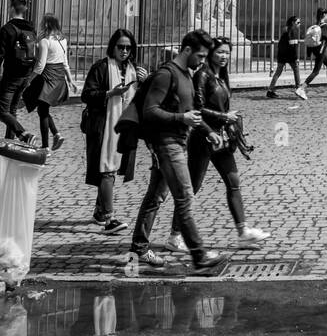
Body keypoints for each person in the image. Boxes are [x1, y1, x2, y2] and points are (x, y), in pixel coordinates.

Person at [128, 30, 224, 274]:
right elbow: (150, 111)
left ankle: (139, 246)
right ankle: (199, 255)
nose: (203, 61)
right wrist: (181, 118)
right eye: (201, 56)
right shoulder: (165, 75)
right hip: (167, 145)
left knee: (156, 197)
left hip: (178, 142)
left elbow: (192, 110)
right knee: (185, 197)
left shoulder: (186, 75)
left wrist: (207, 130)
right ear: (187, 50)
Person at [168, 38, 269, 252]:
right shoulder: (203, 75)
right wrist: (224, 117)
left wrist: (229, 123)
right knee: (192, 188)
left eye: (227, 53)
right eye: (220, 52)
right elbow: (198, 107)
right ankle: (175, 236)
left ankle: (243, 233)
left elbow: (225, 103)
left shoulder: (222, 74)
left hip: (222, 137)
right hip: (204, 137)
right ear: (212, 52)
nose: (224, 56)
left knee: (233, 181)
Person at [81, 29, 149, 234]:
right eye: (121, 47)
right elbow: (87, 94)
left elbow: (142, 98)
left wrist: (145, 81)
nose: (125, 51)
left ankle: (100, 211)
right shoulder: (101, 67)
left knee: (110, 170)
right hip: (103, 126)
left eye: (129, 47)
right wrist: (110, 93)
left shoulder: (133, 69)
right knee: (107, 170)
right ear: (113, 47)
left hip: (122, 126)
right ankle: (109, 219)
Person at [24, 14, 77, 150]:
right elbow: (65, 63)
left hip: (47, 79)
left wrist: (29, 80)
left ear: (46, 24)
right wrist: (71, 81)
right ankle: (56, 134)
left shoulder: (45, 41)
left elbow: (40, 65)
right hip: (58, 78)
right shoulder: (63, 40)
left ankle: (46, 146)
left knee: (42, 111)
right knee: (43, 110)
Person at [0, 0, 38, 144]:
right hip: (25, 75)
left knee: (2, 111)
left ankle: (24, 134)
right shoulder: (30, 28)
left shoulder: (7, 29)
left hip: (11, 76)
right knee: (12, 110)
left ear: (11, 9)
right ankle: (9, 142)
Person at [297, 9, 327, 99]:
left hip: (315, 49)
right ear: (324, 15)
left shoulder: (316, 25)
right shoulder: (325, 27)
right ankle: (301, 89)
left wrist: (309, 52)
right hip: (321, 50)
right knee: (316, 71)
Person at [266, 15, 302, 98]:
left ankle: (270, 90)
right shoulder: (293, 31)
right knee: (296, 69)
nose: (299, 24)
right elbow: (294, 46)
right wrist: (296, 58)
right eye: (298, 22)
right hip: (289, 54)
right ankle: (298, 88)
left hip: (281, 54)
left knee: (278, 72)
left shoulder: (285, 29)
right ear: (293, 22)